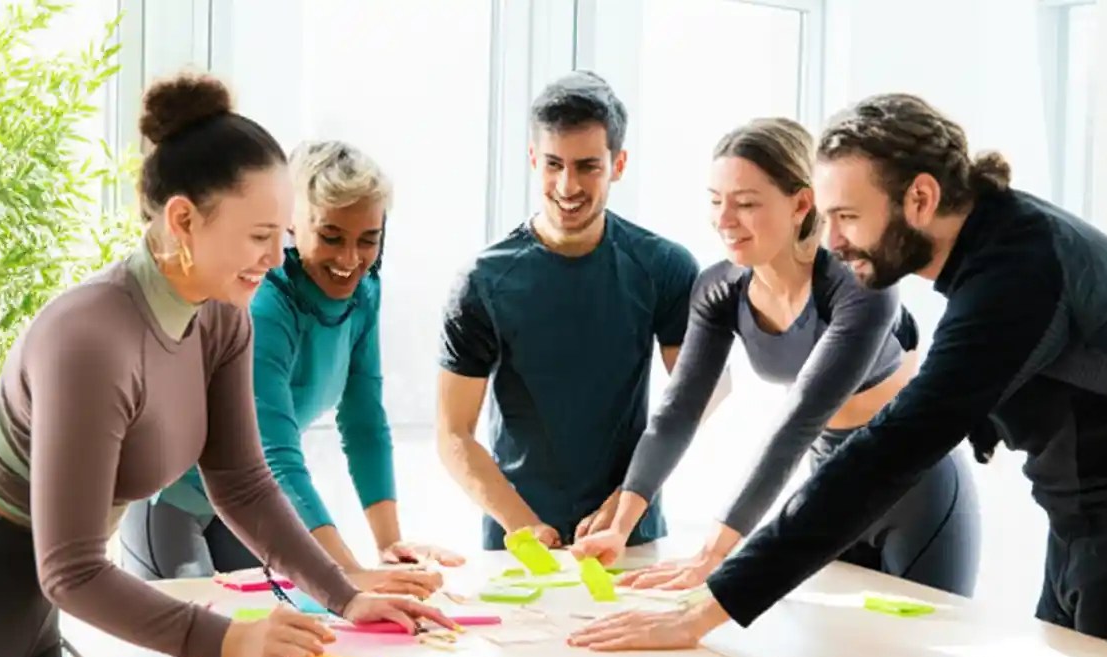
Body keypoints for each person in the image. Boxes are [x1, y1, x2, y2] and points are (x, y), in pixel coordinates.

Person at [0, 72, 452, 657]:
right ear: (183, 220)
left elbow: (244, 484)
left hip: (29, 620)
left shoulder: (222, 318)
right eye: (259, 235)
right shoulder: (90, 336)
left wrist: (346, 596)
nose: (276, 257)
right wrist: (228, 640)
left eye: (281, 235)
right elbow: (71, 570)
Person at [568, 92, 1107, 653]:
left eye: (847, 216)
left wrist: (710, 606)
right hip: (1080, 515)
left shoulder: (1017, 271)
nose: (833, 240)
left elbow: (893, 446)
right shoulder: (1004, 242)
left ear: (920, 197)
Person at [571, 117, 980, 598]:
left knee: (925, 642)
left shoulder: (861, 283)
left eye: (746, 204)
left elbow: (798, 420)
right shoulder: (719, 290)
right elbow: (677, 413)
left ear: (802, 204)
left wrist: (714, 554)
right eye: (716, 201)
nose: (725, 220)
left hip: (916, 483)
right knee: (836, 645)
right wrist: (619, 526)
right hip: (832, 484)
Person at [121, 139, 462, 599]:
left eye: (368, 239)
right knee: (202, 628)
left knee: (278, 621)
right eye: (331, 237)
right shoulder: (265, 302)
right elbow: (275, 453)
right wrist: (346, 573)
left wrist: (389, 545)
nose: (350, 260)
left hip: (243, 501)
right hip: (172, 497)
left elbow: (364, 421)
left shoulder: (364, 292)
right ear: (291, 223)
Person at [437, 70, 700, 551]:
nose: (567, 185)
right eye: (553, 164)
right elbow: (454, 433)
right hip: (518, 543)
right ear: (533, 158)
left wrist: (626, 504)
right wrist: (525, 526)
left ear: (618, 164)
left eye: (587, 167)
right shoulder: (481, 281)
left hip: (631, 539)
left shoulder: (664, 267)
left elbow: (693, 401)